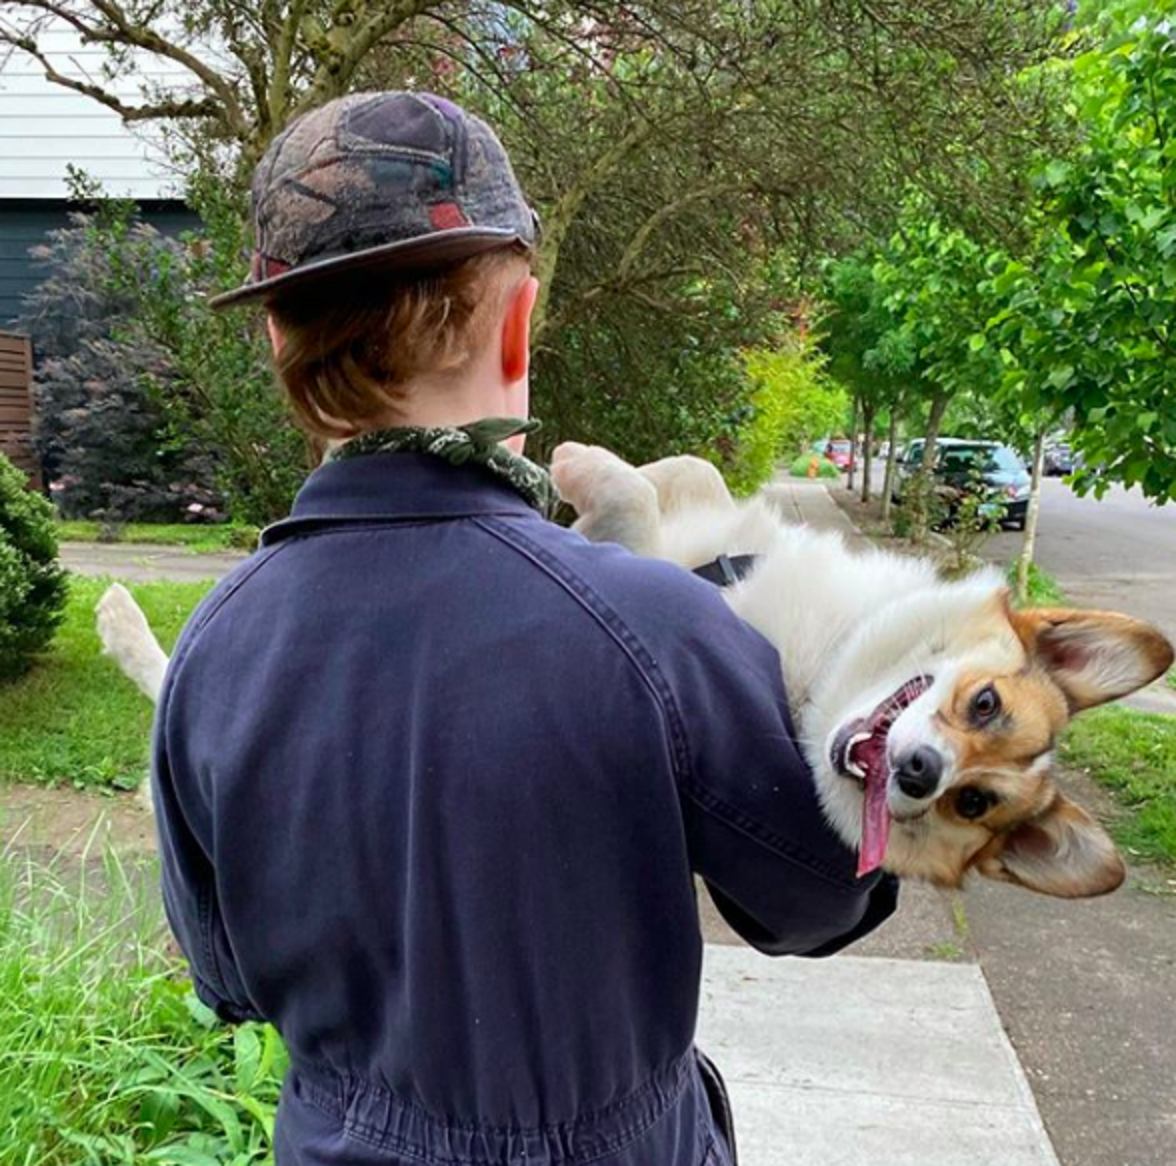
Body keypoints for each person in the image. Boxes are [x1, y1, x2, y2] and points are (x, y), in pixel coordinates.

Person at [154, 91, 897, 1166]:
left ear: (279, 343)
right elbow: (825, 896)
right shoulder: (656, 623)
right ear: (516, 323)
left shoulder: (213, 651)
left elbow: (225, 976)